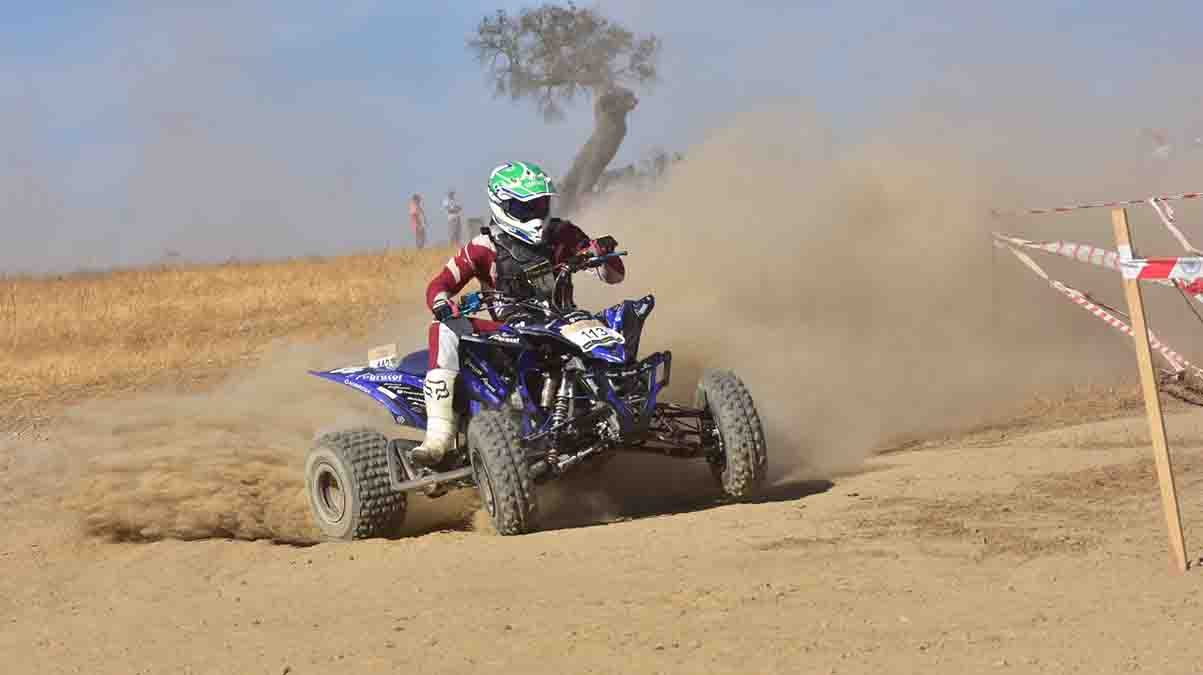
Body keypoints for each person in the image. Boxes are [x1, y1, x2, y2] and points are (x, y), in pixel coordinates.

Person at [410, 161, 625, 467]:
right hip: (508, 333)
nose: (536, 214)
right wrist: (444, 303)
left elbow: (614, 276)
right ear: (501, 206)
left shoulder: (563, 233)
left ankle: (624, 403)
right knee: (441, 327)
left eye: (541, 205)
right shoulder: (483, 247)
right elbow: (439, 285)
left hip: (566, 321)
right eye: (526, 207)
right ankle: (438, 436)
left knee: (623, 323)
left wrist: (601, 254)